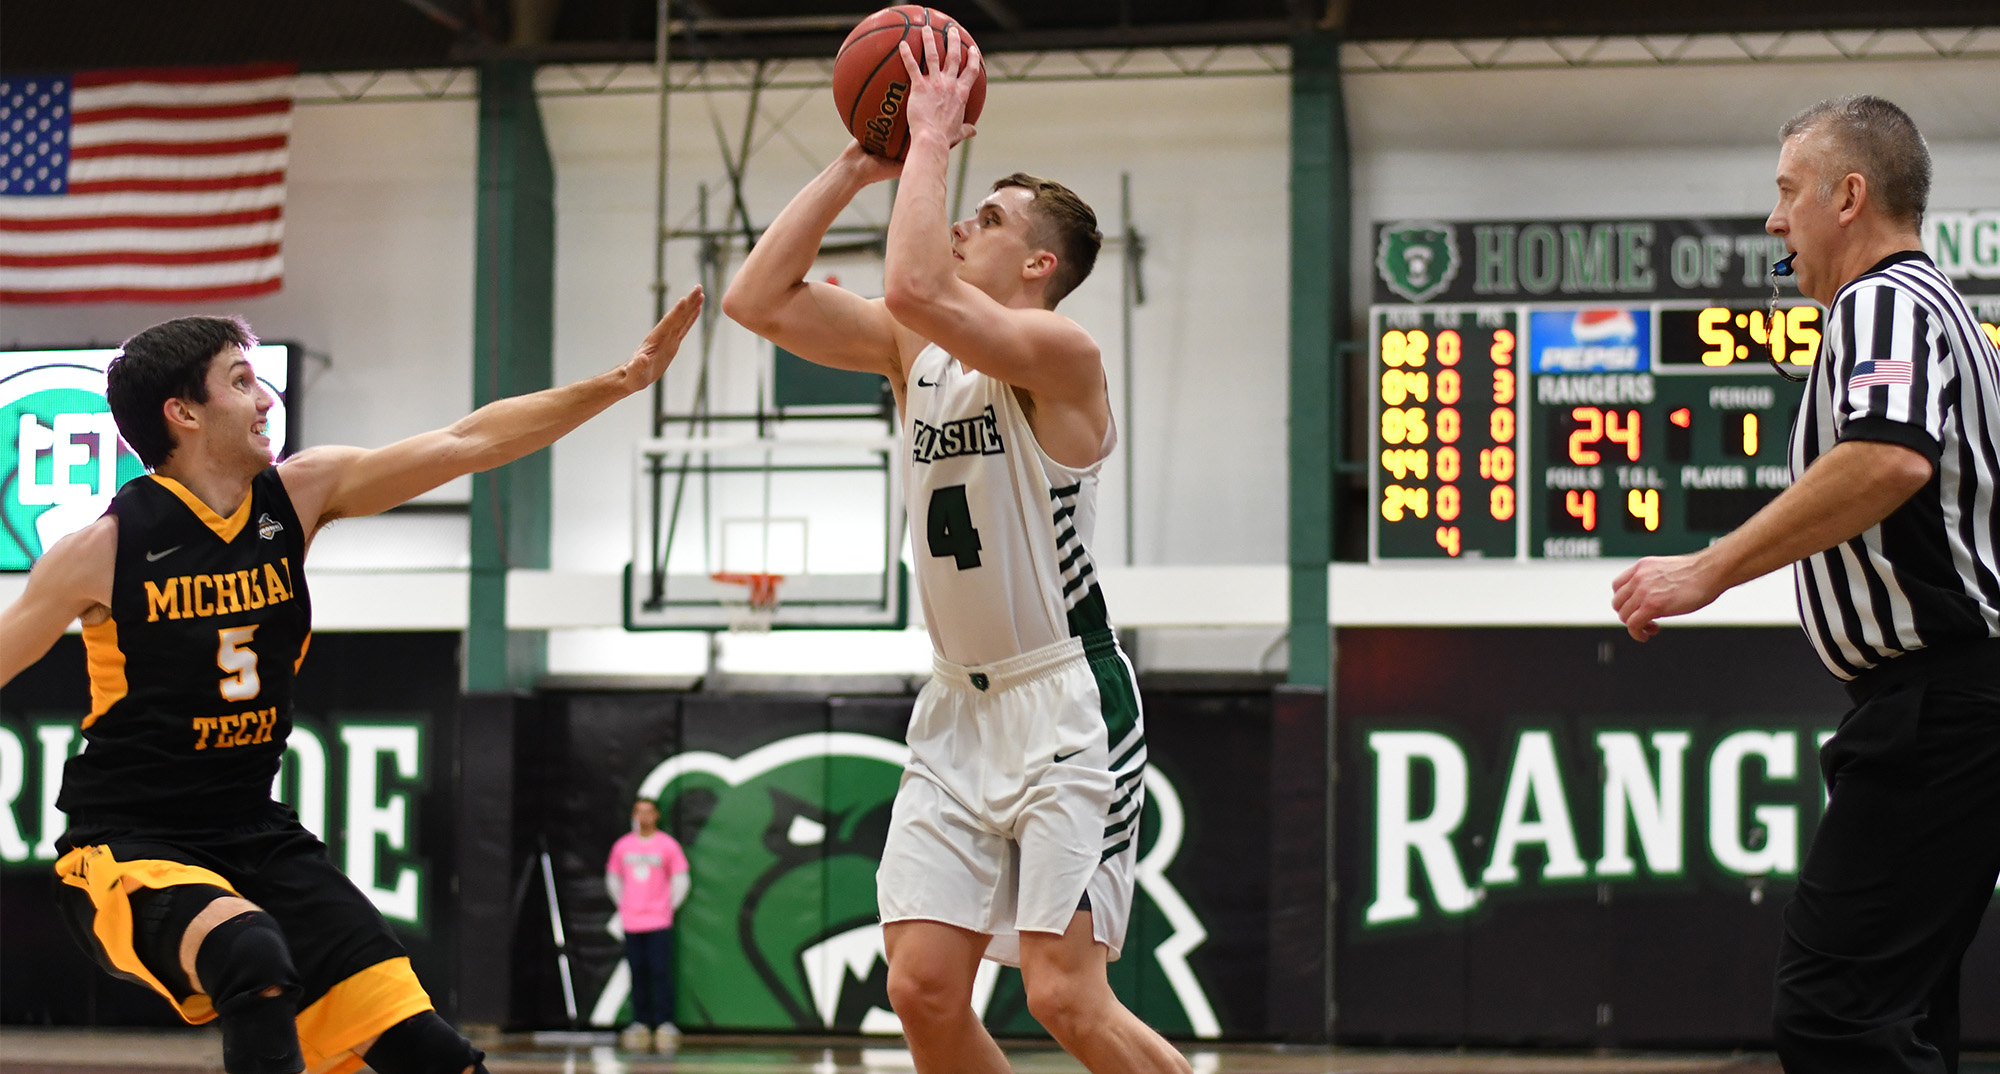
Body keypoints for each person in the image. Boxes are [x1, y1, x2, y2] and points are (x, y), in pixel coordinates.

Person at [0, 287, 704, 1074]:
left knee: (439, 1058)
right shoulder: (102, 551)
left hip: (252, 833)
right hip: (127, 847)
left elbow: (468, 441)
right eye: (239, 380)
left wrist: (620, 382)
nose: (265, 397)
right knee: (252, 954)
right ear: (182, 413)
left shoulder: (300, 495)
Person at [722, 26, 1186, 1074]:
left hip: (1065, 702)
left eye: (991, 217)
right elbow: (755, 300)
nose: (964, 219)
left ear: (1035, 264)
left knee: (1065, 998)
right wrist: (858, 160)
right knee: (922, 991)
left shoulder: (1063, 356)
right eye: (966, 208)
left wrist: (930, 136)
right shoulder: (910, 346)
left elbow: (918, 285)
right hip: (954, 707)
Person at [1613, 95, 2000, 1074]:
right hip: (1950, 701)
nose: (1772, 221)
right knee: (1900, 1014)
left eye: (1786, 192)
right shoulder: (1941, 311)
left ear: (1847, 196)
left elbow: (1885, 457)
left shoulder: (1883, 301)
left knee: (1830, 1012)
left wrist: (1704, 570)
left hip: (1941, 705)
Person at [604, 796, 689, 1052]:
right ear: (633, 815)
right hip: (632, 921)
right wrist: (626, 905)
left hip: (658, 921)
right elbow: (613, 878)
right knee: (637, 971)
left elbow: (681, 880)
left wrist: (665, 907)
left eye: (648, 812)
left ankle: (664, 1022)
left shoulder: (667, 846)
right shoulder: (623, 846)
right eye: (639, 812)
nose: (643, 817)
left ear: (656, 815)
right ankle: (640, 1021)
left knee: (660, 970)